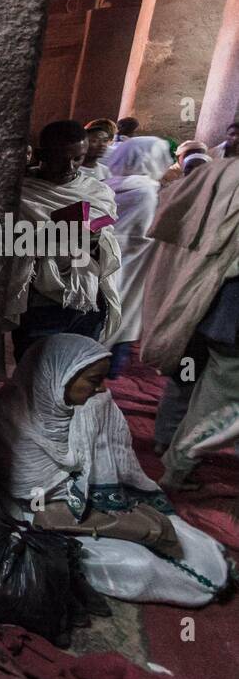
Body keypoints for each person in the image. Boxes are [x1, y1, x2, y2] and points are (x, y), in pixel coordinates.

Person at [0, 334, 229, 607]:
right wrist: (111, 522)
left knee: (185, 538)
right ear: (58, 377)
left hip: (93, 507)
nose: (101, 389)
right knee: (137, 565)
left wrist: (114, 512)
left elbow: (118, 468)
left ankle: (209, 573)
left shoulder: (95, 405)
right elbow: (31, 498)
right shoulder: (13, 414)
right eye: (93, 381)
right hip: (39, 517)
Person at [139, 157, 239, 488]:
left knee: (187, 373)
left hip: (195, 296)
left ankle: (165, 437)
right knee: (222, 398)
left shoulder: (217, 171)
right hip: (229, 312)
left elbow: (169, 213)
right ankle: (177, 465)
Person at [5, 120, 121, 363]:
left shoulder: (96, 191)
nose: (70, 167)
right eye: (61, 158)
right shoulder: (20, 194)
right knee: (37, 373)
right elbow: (4, 244)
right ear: (41, 155)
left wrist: (94, 239)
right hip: (40, 303)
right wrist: (51, 236)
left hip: (88, 298)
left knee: (76, 372)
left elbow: (108, 243)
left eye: (78, 158)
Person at [102, 136, 175, 369]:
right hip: (131, 272)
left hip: (103, 266)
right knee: (116, 332)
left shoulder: (107, 184)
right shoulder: (147, 193)